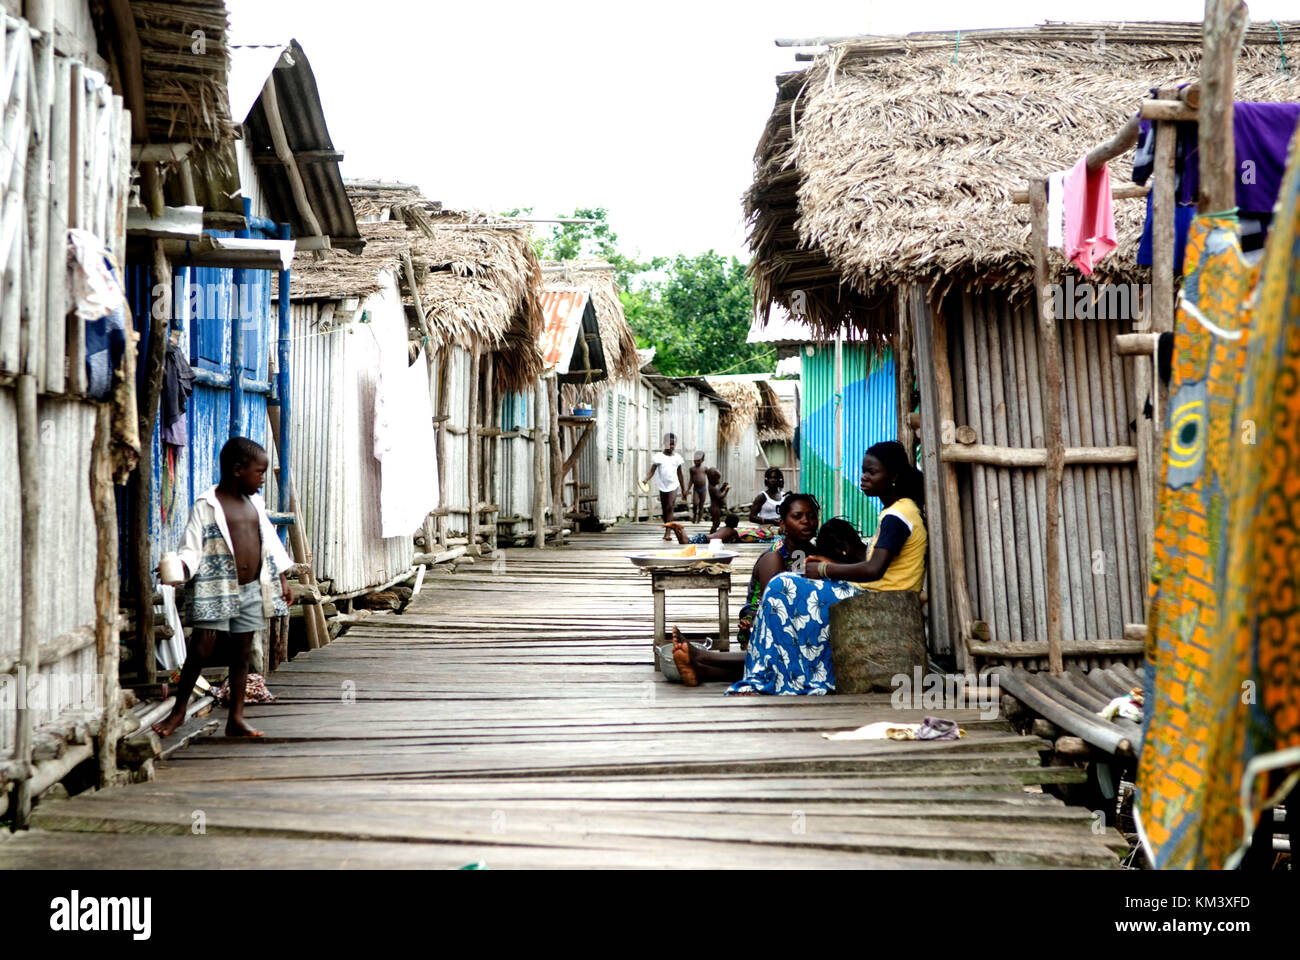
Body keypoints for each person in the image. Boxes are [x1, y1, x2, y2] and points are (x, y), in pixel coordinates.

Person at [675, 441, 927, 695]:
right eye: (863, 471)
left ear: (894, 476)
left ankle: (709, 663)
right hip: (876, 596)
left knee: (783, 586)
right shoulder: (898, 512)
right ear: (783, 524)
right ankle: (705, 664)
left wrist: (825, 571)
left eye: (872, 472)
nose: (864, 477)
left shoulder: (898, 515)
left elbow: (874, 569)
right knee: (785, 586)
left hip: (881, 601)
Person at [153, 437, 293, 738]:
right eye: (259, 473)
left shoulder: (255, 504)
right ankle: (178, 712)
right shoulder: (208, 505)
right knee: (202, 648)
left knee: (242, 653)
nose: (262, 480)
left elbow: (269, 542)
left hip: (251, 587)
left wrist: (282, 576)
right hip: (215, 586)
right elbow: (190, 547)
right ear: (237, 469)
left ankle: (236, 718)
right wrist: (179, 567)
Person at [670, 493, 820, 684]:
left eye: (812, 516)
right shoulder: (773, 558)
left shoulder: (811, 553)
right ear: (782, 524)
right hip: (761, 624)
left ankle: (701, 669)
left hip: (796, 622)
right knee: (787, 653)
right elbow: (776, 611)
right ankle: (702, 659)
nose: (806, 521)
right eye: (797, 517)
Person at [645, 433, 687, 536]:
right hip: (662, 485)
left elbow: (680, 474)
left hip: (674, 485)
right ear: (664, 443)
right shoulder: (658, 457)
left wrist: (683, 489)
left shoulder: (677, 458)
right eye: (670, 444)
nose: (672, 446)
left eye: (673, 444)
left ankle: (668, 532)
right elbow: (652, 471)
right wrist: (645, 480)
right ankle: (667, 526)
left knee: (670, 506)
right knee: (665, 508)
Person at [706, 468, 731, 532]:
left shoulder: (713, 486)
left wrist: (723, 487)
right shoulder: (712, 488)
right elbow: (720, 496)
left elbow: (718, 492)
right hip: (715, 508)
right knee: (716, 523)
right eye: (717, 479)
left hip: (716, 508)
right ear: (712, 479)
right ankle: (712, 533)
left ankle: (713, 532)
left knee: (717, 523)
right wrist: (726, 491)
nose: (719, 480)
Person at [688, 452, 708, 524]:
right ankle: (694, 517)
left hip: (703, 489)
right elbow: (691, 480)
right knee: (695, 503)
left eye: (698, 460)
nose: (696, 462)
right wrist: (688, 489)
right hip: (696, 489)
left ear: (702, 460)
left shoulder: (704, 469)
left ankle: (699, 520)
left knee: (701, 505)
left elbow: (709, 477)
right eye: (695, 460)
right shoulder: (692, 469)